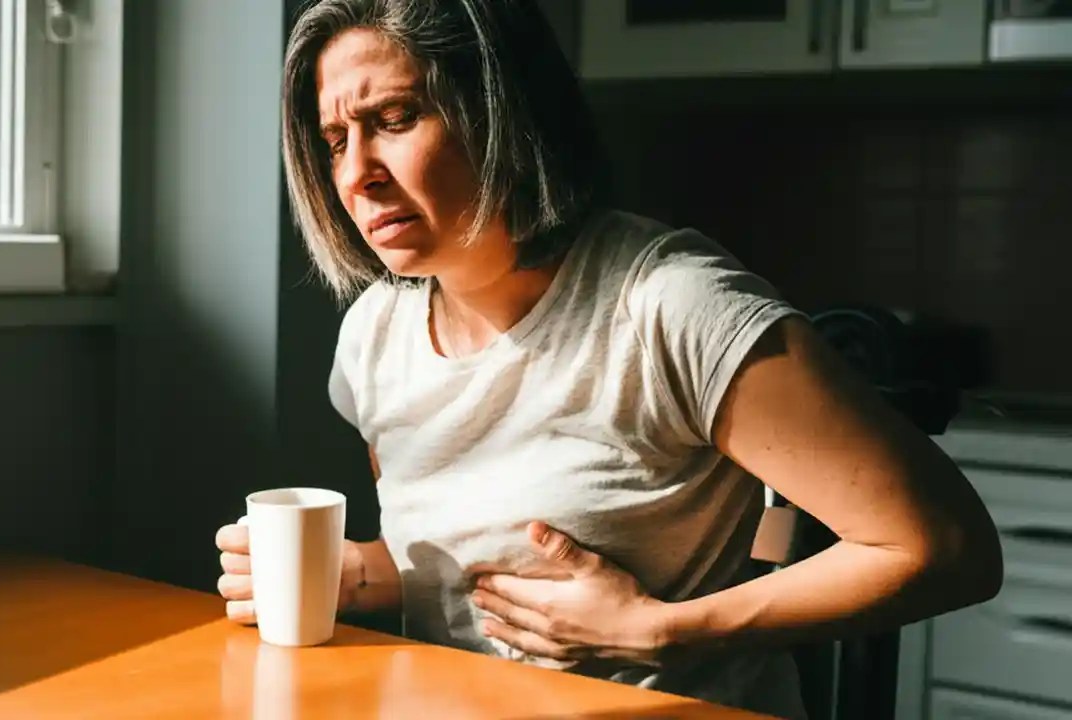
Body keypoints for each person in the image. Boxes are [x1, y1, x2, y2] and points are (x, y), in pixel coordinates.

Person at [215, 0, 1003, 716]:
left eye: (394, 117)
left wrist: (659, 630)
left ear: (502, 114)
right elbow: (469, 558)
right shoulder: (374, 337)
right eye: (333, 141)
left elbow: (946, 548)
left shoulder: (671, 306)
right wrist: (353, 573)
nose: (355, 174)